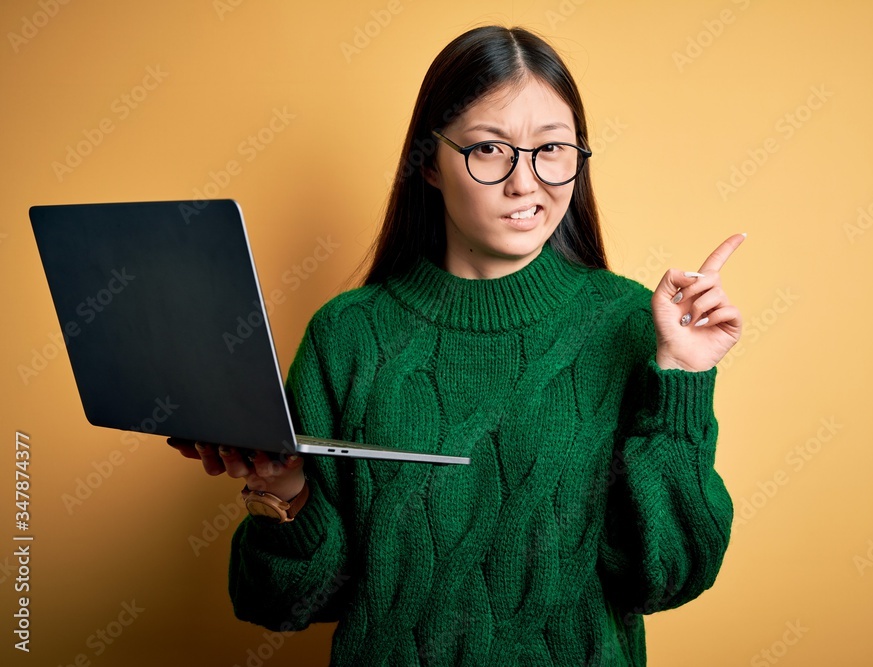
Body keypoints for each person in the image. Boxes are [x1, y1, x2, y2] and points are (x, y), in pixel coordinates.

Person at [168, 24, 744, 666]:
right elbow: (280, 606)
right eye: (490, 149)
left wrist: (681, 382)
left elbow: (665, 576)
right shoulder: (349, 336)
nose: (527, 183)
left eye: (552, 148)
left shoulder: (633, 324)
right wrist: (286, 486)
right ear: (428, 164)